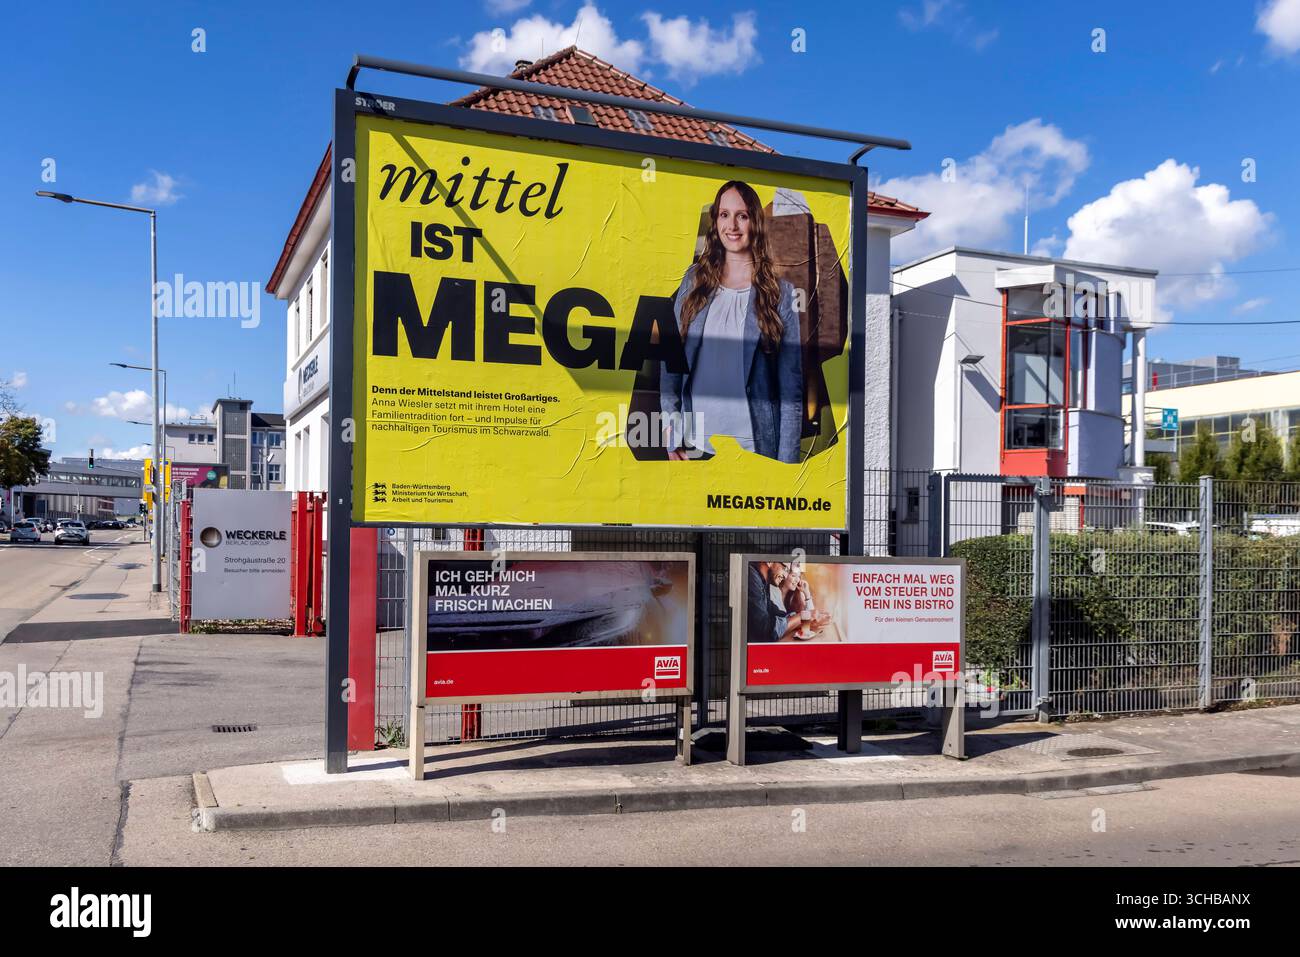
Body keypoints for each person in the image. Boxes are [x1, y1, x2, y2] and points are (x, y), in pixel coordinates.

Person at [660, 180, 802, 463]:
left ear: (755, 223)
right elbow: (670, 369)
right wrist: (672, 437)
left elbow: (791, 393)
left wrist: (786, 467)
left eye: (743, 215)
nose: (732, 225)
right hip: (695, 448)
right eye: (724, 214)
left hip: (756, 452)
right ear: (716, 222)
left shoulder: (780, 294)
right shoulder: (693, 281)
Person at [746, 561, 831, 643]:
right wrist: (801, 617)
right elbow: (766, 630)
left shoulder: (765, 583)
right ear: (769, 561)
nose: (786, 576)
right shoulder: (753, 579)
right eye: (785, 569)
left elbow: (779, 616)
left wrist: (806, 617)